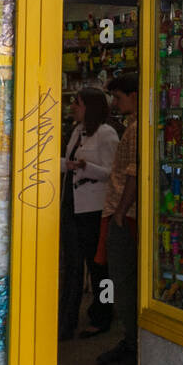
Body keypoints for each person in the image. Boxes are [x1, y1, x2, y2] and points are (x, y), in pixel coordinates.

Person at [60, 87, 119, 341]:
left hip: (93, 209)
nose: (74, 107)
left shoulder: (106, 134)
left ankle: (103, 314)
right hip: (72, 205)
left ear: (91, 107)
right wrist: (68, 164)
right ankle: (72, 316)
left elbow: (112, 172)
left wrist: (87, 167)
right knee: (74, 265)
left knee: (98, 267)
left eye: (79, 103)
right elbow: (66, 159)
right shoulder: (77, 130)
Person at [96, 73, 140, 365]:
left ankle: (132, 343)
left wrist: (122, 212)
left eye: (119, 97)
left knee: (123, 281)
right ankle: (129, 341)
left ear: (134, 95)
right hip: (119, 211)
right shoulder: (131, 127)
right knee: (120, 279)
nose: (115, 103)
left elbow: (133, 173)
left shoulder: (136, 129)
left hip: (124, 213)